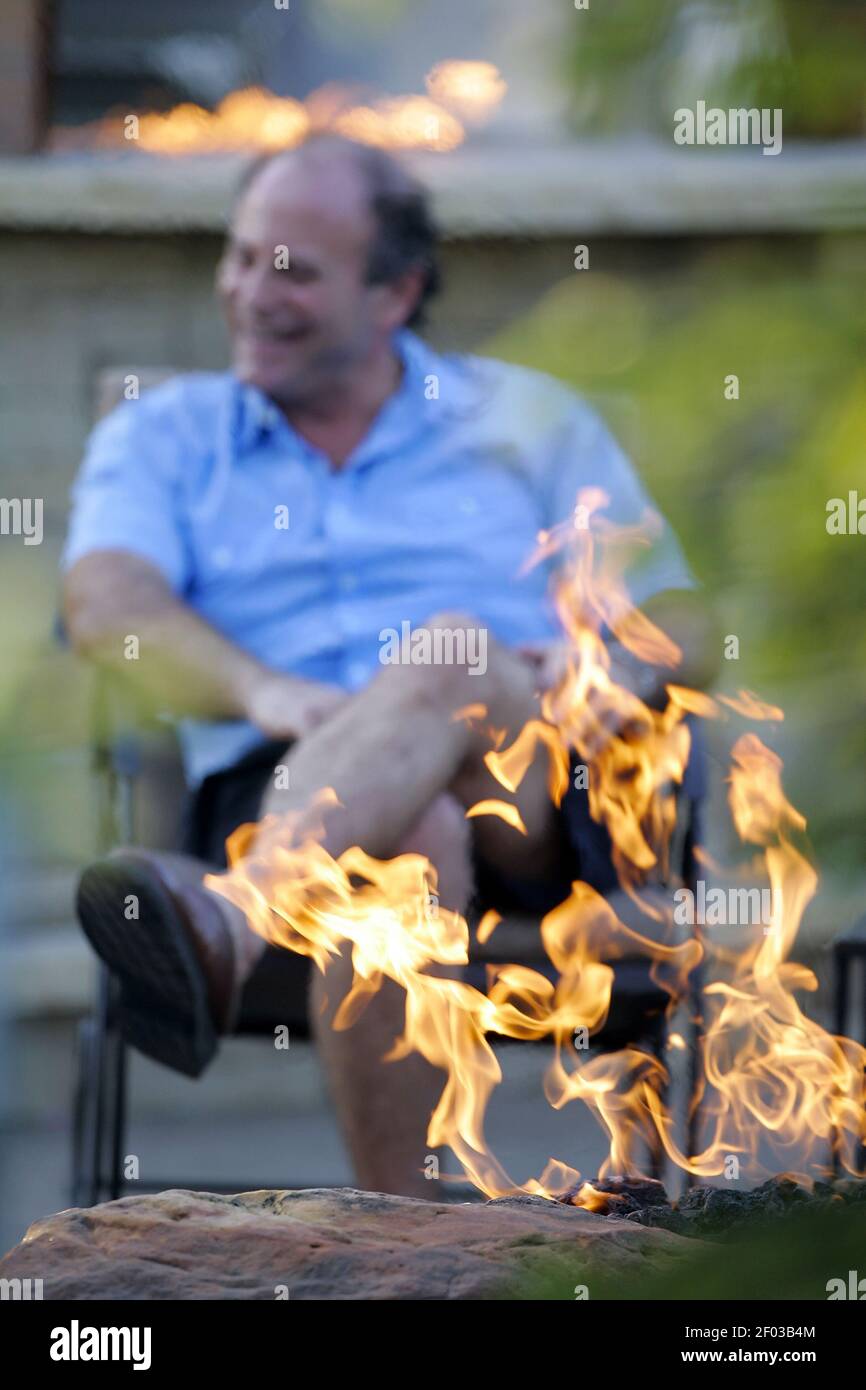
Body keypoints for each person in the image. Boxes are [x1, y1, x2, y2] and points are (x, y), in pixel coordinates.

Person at [62, 134, 716, 1197]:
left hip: (535, 794)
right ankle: (396, 1238)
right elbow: (105, 600)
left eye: (294, 272)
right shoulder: (163, 436)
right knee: (403, 839)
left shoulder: (524, 420)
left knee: (451, 651)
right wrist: (262, 689)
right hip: (276, 769)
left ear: (393, 292)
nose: (249, 294)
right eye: (239, 258)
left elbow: (679, 619)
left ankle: (230, 918)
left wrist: (592, 659)